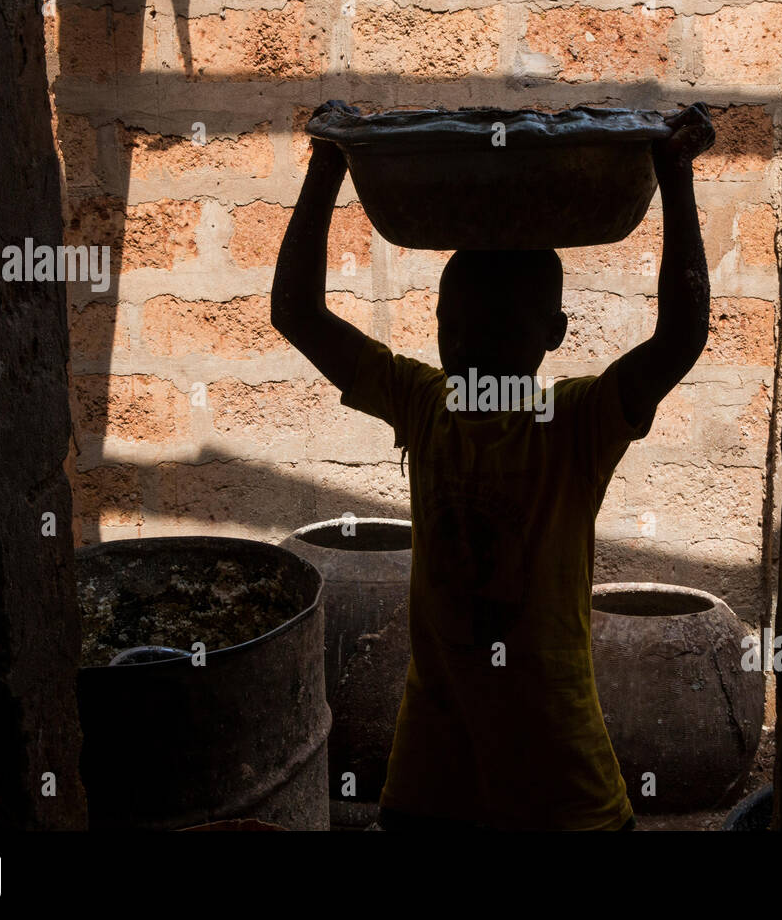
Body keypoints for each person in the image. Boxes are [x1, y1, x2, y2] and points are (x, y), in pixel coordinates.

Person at [271, 101, 716, 830]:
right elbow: (294, 311)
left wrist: (676, 175)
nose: (466, 340)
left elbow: (681, 334)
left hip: (558, 766)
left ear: (553, 334)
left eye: (493, 324)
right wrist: (327, 163)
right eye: (453, 322)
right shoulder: (425, 403)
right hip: (436, 764)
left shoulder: (574, 424)